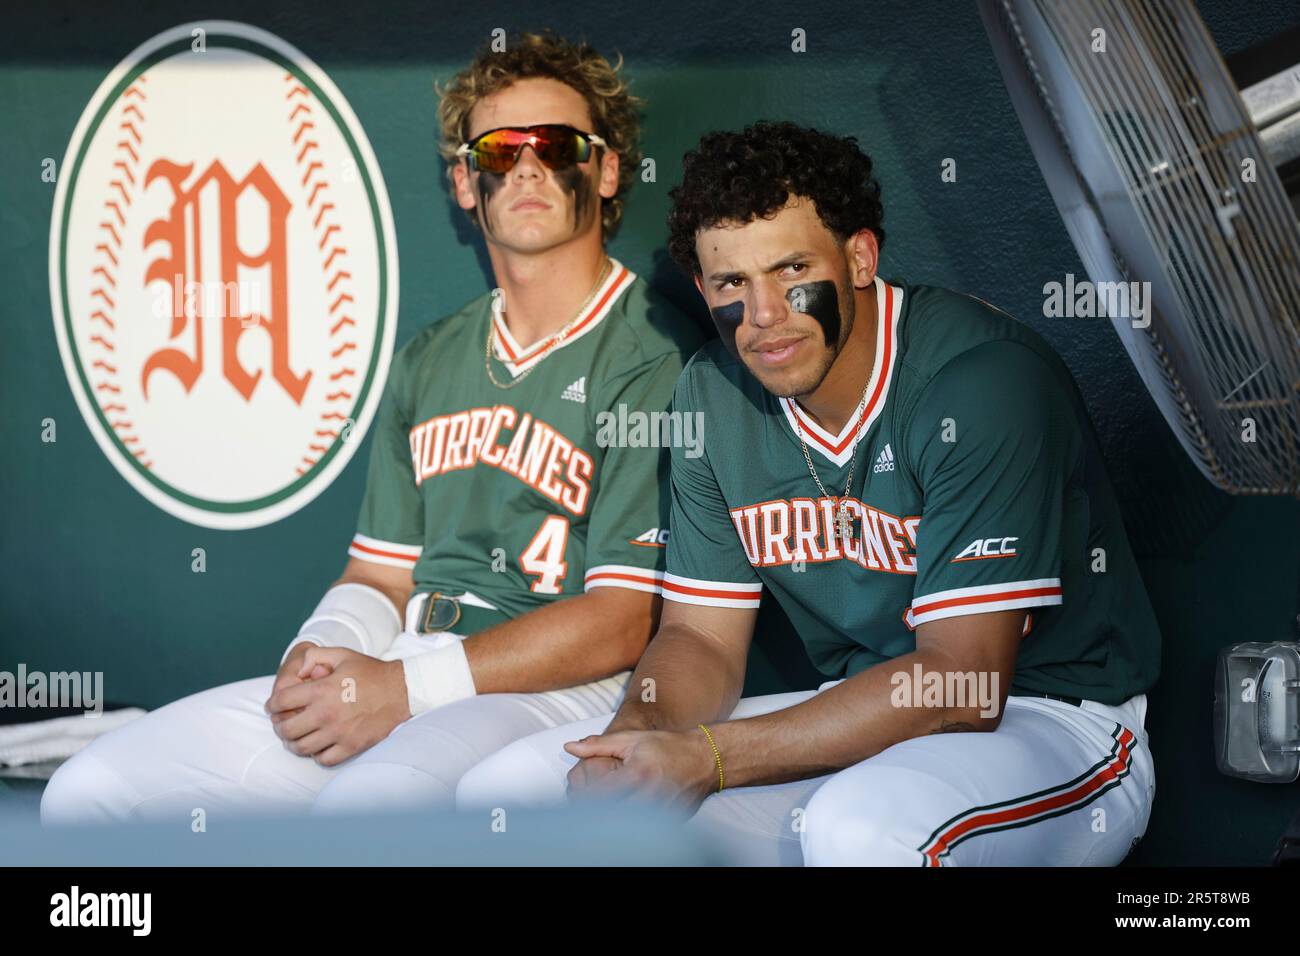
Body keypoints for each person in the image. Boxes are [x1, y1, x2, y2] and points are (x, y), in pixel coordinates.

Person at [454, 121, 1161, 866]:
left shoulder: (981, 380)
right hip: (852, 715)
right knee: (519, 789)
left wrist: (712, 759)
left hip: (1048, 719)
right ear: (702, 287)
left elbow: (963, 682)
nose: (764, 316)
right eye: (731, 284)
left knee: (862, 831)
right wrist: (640, 738)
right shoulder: (713, 393)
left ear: (859, 256)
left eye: (792, 271)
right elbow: (699, 639)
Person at [41, 31, 703, 823]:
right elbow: (380, 576)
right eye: (498, 151)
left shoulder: (655, 352)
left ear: (606, 167)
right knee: (91, 793)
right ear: (465, 182)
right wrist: (317, 657)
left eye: (557, 145)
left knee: (370, 812)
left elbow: (624, 619)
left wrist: (401, 690)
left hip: (562, 689)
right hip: (407, 662)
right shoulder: (431, 357)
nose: (527, 167)